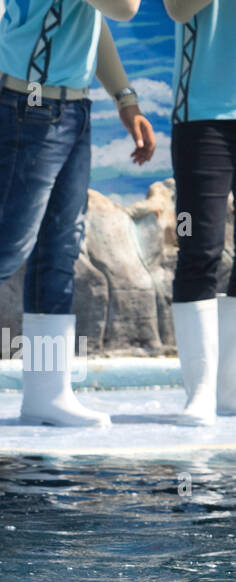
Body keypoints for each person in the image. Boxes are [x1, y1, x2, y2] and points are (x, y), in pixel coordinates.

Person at [0, 1, 156, 431]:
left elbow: (94, 20)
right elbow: (125, 8)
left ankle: (47, 394)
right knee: (2, 247)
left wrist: (124, 98)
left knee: (59, 251)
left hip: (70, 109)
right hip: (23, 106)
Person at [165, 0, 236, 424]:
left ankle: (230, 385)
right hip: (202, 116)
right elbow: (177, 8)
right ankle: (202, 389)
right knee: (198, 248)